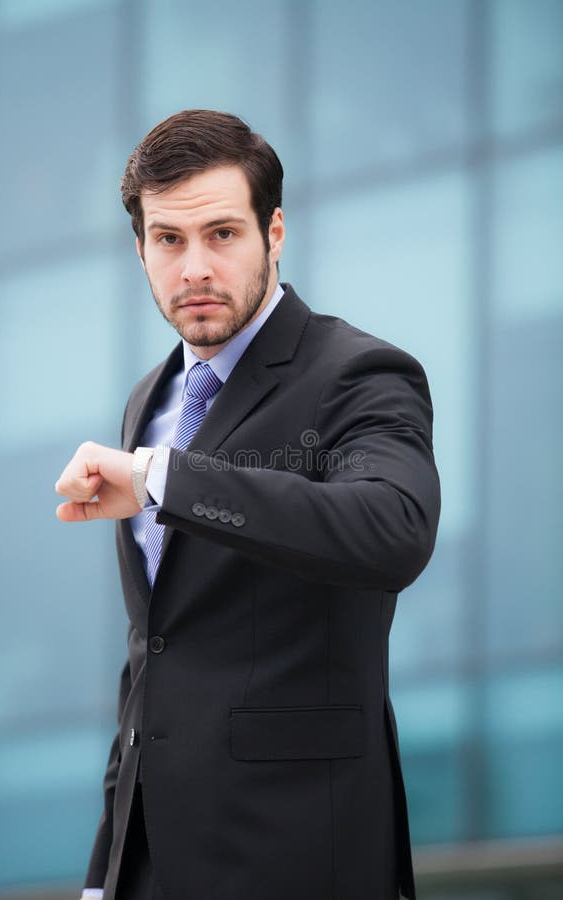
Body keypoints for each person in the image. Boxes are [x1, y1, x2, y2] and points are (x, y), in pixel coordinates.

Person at [55, 109, 440, 900]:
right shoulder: (148, 402)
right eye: (169, 241)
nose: (194, 267)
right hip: (155, 864)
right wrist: (107, 870)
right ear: (140, 251)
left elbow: (393, 528)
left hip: (301, 852)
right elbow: (153, 656)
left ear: (274, 233)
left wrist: (168, 479)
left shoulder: (359, 375)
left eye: (222, 234)